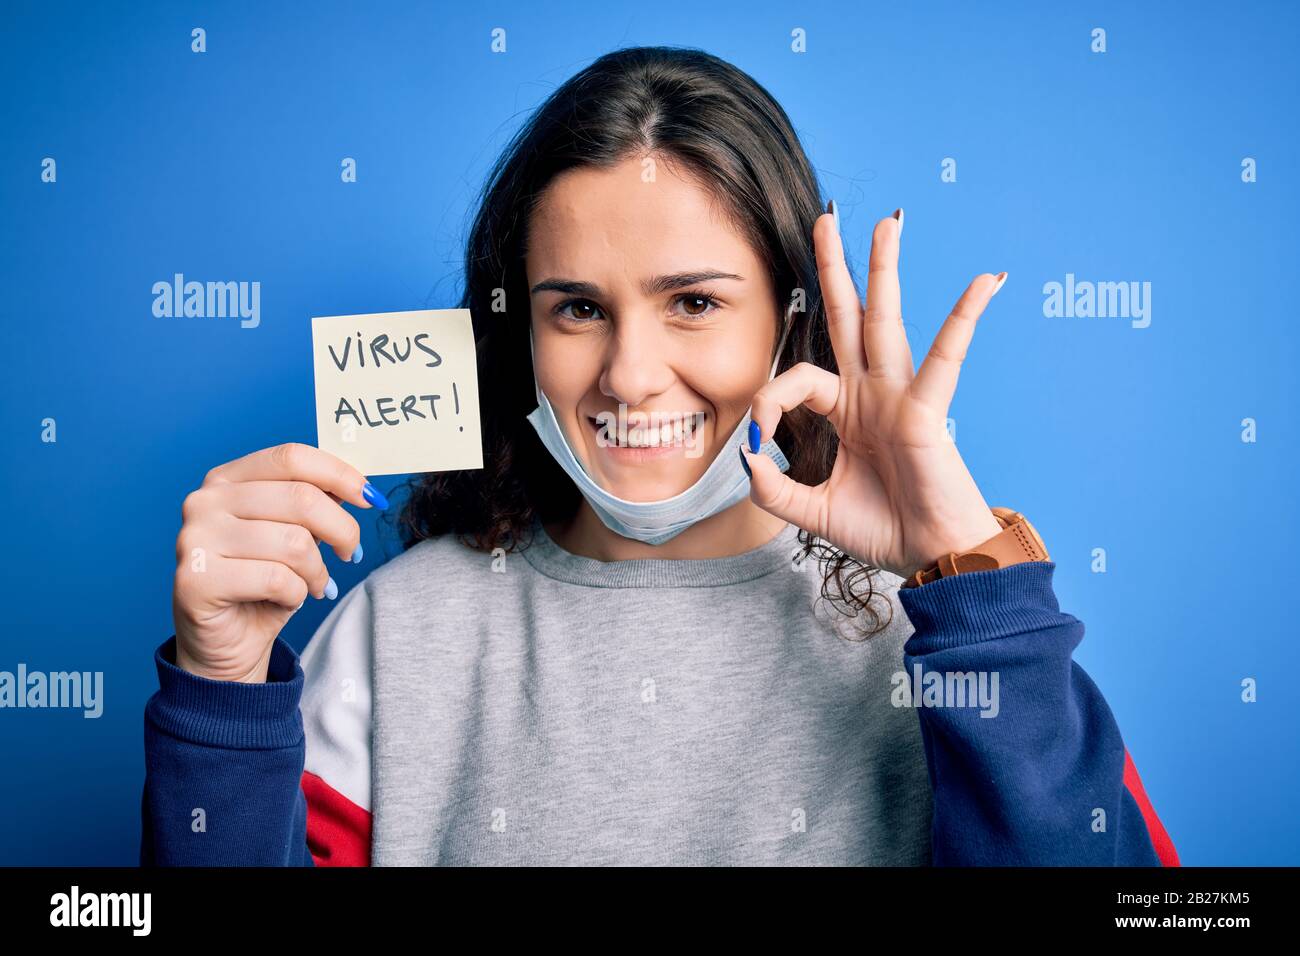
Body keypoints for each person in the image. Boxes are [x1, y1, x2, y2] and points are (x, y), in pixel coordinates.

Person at [141, 46, 1178, 866]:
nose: (629, 374)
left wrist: (972, 588)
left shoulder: (942, 643)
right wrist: (222, 690)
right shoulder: (389, 635)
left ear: (788, 319)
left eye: (693, 301)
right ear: (520, 333)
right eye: (580, 308)